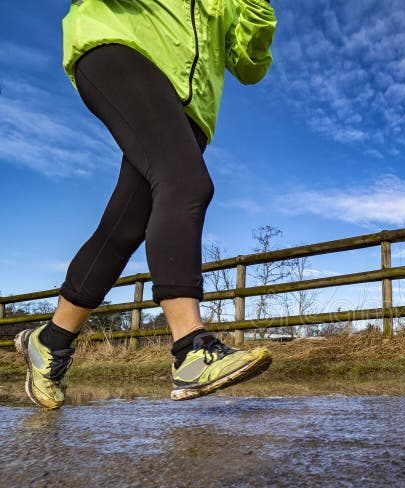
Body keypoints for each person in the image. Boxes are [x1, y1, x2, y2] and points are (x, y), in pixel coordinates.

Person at [14, 0, 278, 409]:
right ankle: (190, 347)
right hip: (121, 48)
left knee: (125, 226)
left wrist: (256, 8)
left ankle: (50, 341)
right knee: (187, 184)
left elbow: (250, 67)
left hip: (189, 109)